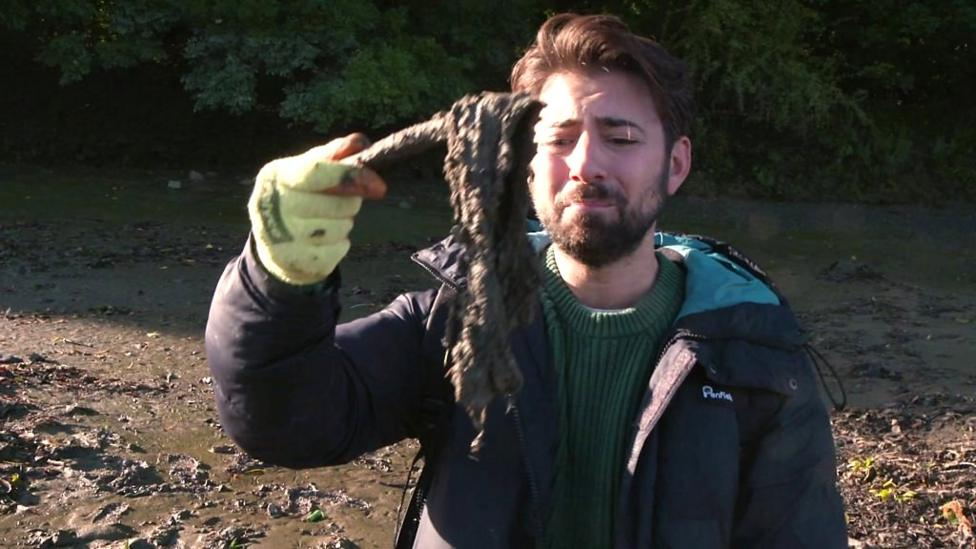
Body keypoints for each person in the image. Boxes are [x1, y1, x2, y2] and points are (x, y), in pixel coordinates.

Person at [206, 12, 847, 548]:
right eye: (560, 138)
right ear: (524, 162)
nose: (586, 164)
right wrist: (279, 276)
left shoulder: (756, 355)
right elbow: (283, 420)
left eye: (620, 137)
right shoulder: (455, 322)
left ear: (675, 164)